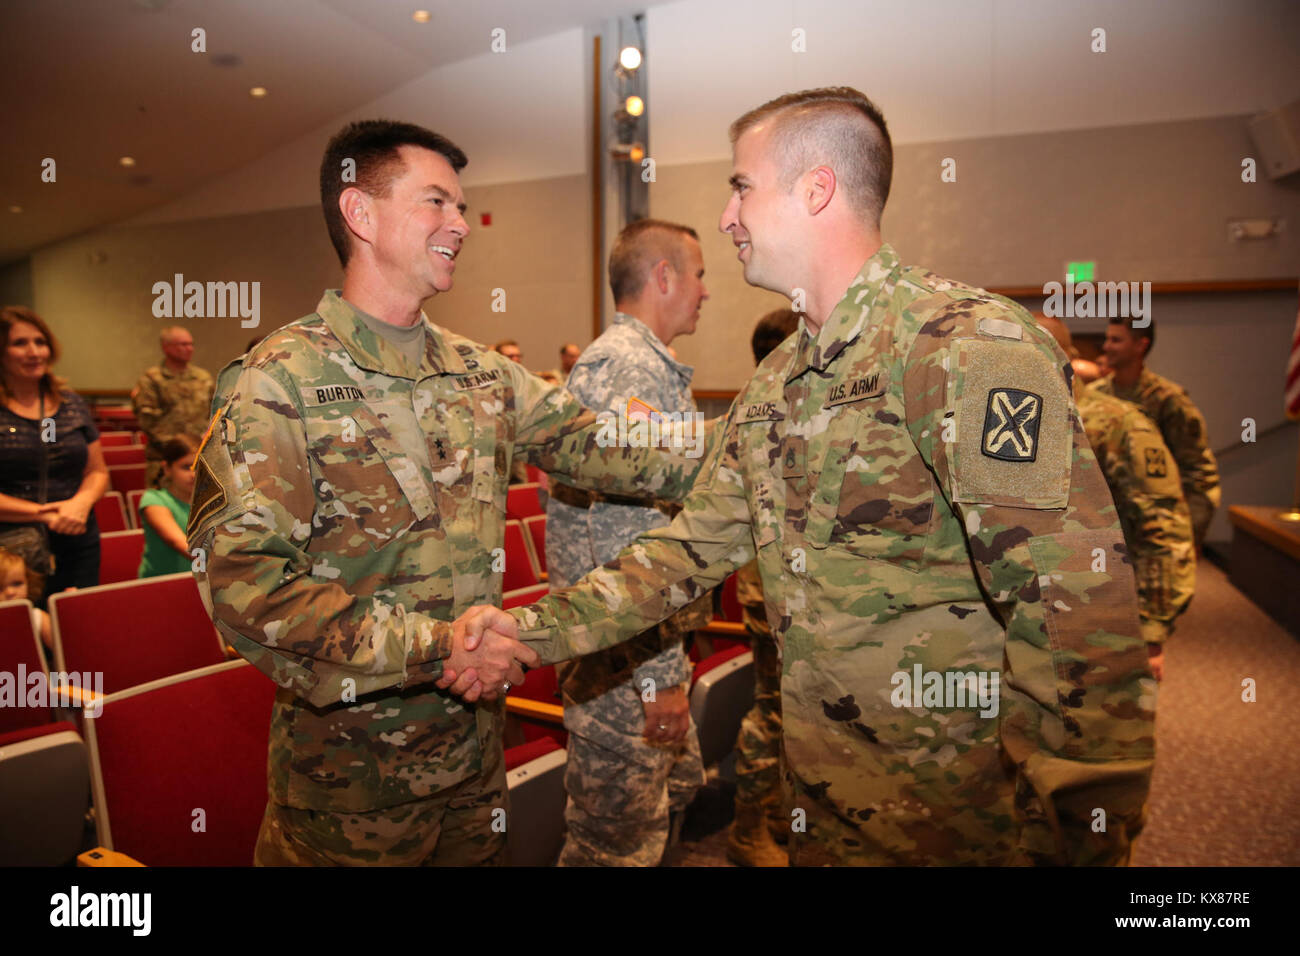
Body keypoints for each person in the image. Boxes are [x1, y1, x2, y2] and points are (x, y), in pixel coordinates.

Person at [465, 87, 1154, 866]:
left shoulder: (968, 348)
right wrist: (529, 633)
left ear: (816, 189)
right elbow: (680, 556)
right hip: (822, 812)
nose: (727, 217)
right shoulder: (776, 385)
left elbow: (1074, 622)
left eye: (741, 187)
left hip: (956, 826)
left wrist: (1081, 843)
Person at [185, 119, 706, 867]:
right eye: (436, 202)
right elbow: (246, 589)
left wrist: (770, 433)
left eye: (460, 206)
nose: (460, 223)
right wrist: (440, 649)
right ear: (360, 213)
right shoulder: (278, 381)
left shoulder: (480, 373)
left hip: (474, 764)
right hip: (351, 790)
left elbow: (612, 448)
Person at [545, 219, 712, 867]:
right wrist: (659, 677)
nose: (705, 291)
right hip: (620, 659)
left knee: (667, 801)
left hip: (630, 650)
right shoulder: (630, 369)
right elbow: (628, 539)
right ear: (664, 277)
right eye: (699, 275)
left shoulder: (641, 364)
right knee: (615, 845)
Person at [1037, 315, 1195, 682]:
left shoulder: (1117, 423)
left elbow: (1161, 526)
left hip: (1105, 609)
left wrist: (1153, 630)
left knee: (1108, 710)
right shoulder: (1017, 419)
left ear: (1067, 356)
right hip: (1035, 612)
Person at [727, 308, 801, 868]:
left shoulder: (785, 402)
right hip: (773, 591)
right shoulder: (766, 409)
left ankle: (777, 810)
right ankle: (747, 827)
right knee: (773, 709)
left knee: (795, 712)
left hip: (791, 588)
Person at [0, 307, 108, 603]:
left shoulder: (71, 403)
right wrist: (45, 514)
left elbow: (97, 471)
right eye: (19, 343)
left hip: (77, 536)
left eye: (40, 342)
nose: (34, 352)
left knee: (78, 621)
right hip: (10, 551)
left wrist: (80, 503)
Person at [1091, 318, 1220, 549]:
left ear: (1140, 345)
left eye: (1116, 340)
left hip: (1155, 529)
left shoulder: (1168, 400)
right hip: (1105, 527)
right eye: (1107, 339)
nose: (1106, 346)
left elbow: (1198, 471)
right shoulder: (1094, 396)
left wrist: (1189, 534)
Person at [132, 326, 214, 488]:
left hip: (200, 459)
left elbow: (214, 414)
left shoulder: (203, 377)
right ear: (166, 347)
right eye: (183, 344)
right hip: (165, 460)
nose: (189, 348)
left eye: (191, 344)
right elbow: (148, 421)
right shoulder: (152, 379)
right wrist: (182, 448)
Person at [137, 434, 199, 579]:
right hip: (161, 585)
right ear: (167, 468)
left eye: (198, 467)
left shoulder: (212, 502)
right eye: (186, 467)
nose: (193, 474)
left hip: (200, 581)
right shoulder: (154, 499)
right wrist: (221, 563)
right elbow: (178, 542)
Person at [0, 547, 52, 648]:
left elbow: (64, 646)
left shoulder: (35, 617)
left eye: (17, 584)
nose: (10, 592)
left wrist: (69, 610)